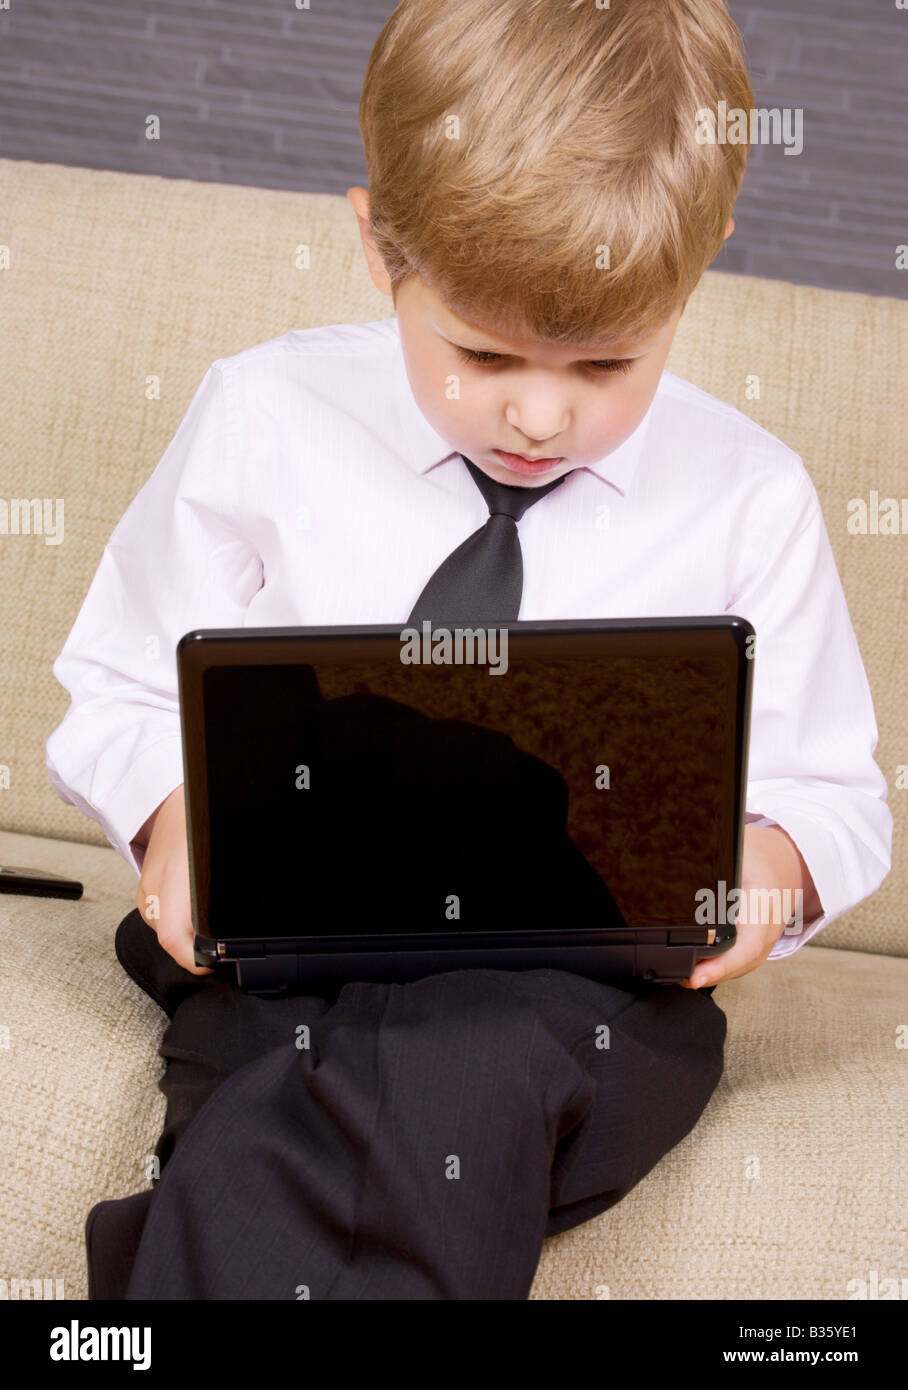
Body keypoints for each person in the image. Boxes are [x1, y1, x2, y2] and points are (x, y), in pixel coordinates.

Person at [45, 0, 891, 1300]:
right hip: (290, 960)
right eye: (483, 352)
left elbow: (835, 800)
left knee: (428, 1071)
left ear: (704, 258)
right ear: (380, 246)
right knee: (312, 1082)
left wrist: (767, 864)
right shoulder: (263, 416)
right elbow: (113, 683)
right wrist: (172, 818)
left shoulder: (749, 495)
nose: (540, 415)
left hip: (580, 993)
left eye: (607, 362)